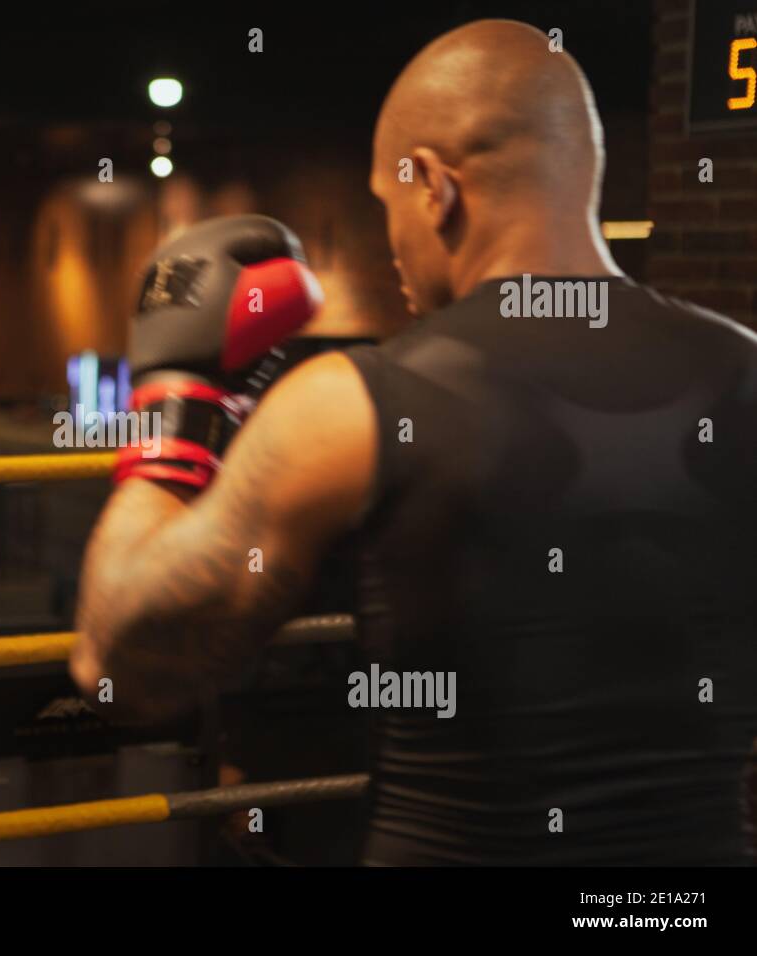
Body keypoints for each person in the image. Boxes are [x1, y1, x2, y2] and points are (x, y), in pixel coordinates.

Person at [71, 21, 757, 865]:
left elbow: (122, 660)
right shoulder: (744, 371)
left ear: (433, 187)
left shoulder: (353, 404)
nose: (393, 247)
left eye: (386, 204)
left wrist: (173, 398)